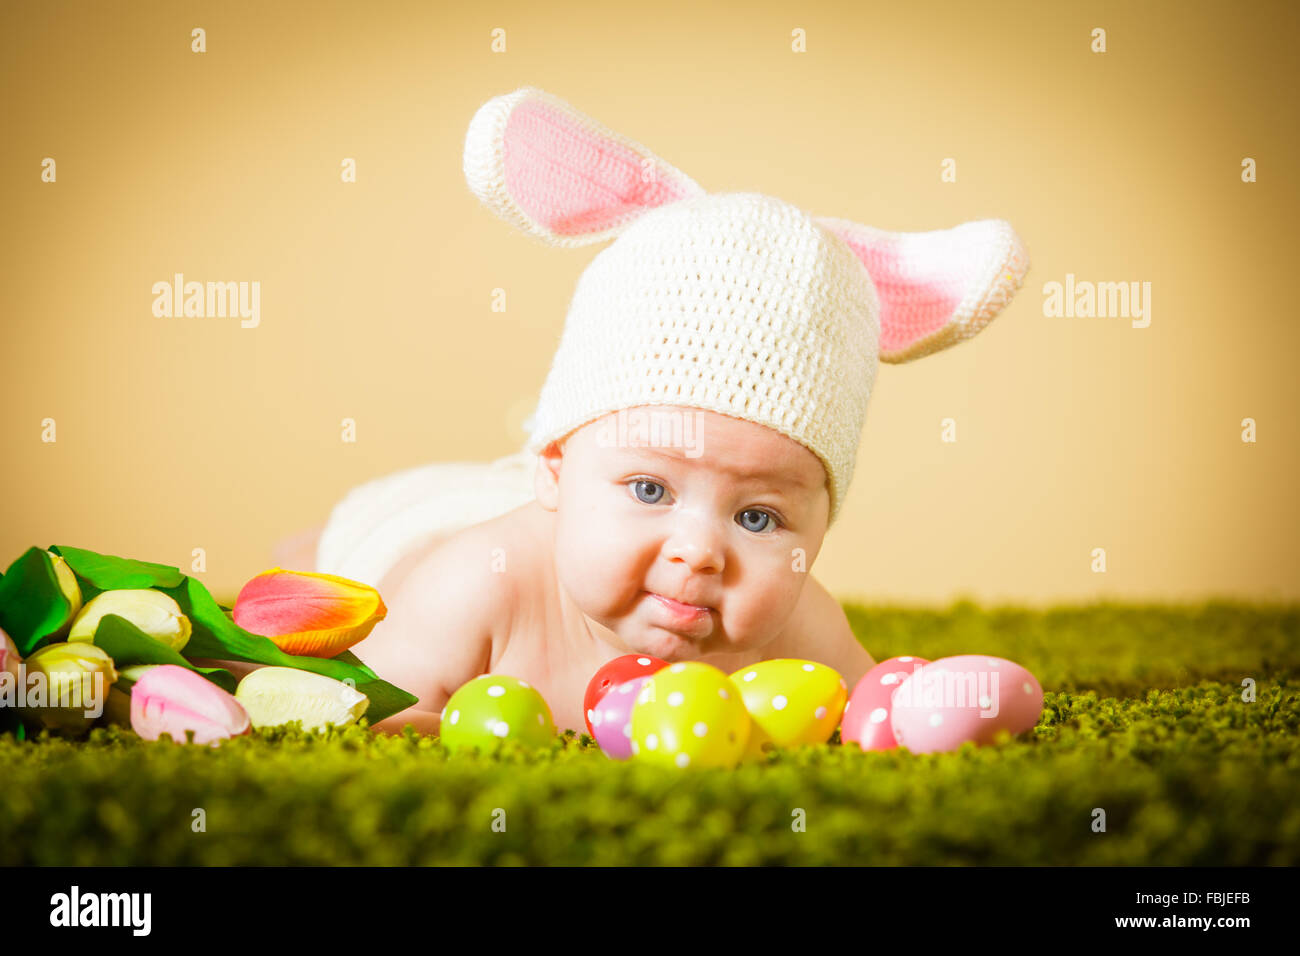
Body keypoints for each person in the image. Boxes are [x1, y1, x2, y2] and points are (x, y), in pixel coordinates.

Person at [273, 86, 1031, 736]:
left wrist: (938, 703)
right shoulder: (477, 589)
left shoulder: (800, 627)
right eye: (650, 490)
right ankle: (330, 541)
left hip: (542, 502)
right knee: (329, 575)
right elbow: (362, 707)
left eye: (759, 517)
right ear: (558, 467)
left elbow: (877, 706)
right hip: (426, 517)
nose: (700, 553)